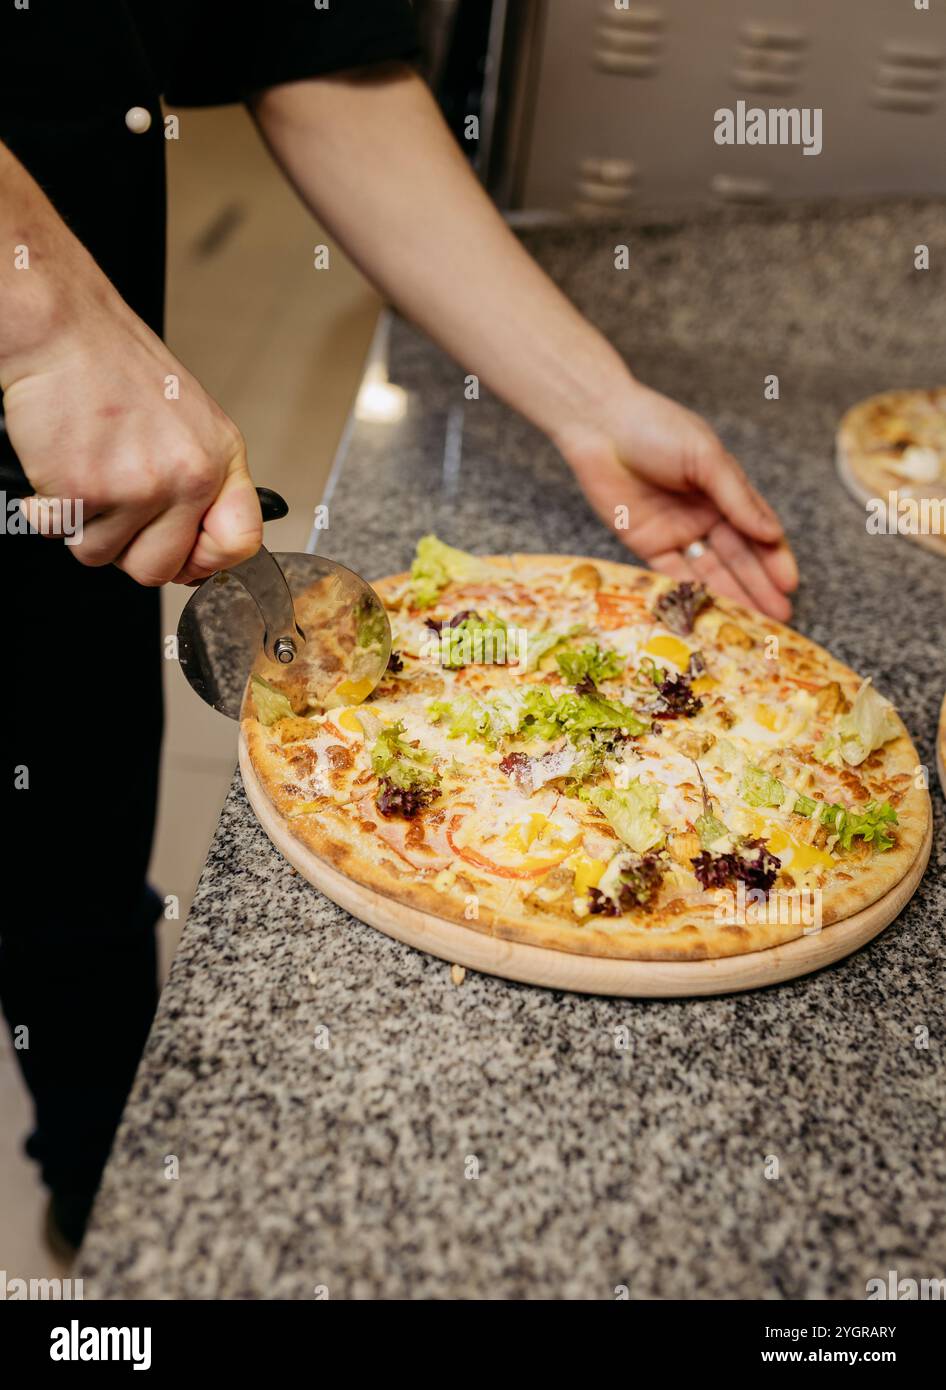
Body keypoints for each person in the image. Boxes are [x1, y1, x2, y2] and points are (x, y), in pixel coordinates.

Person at [0, 1, 797, 1253]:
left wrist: (593, 403)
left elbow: (310, 46)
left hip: (86, 474)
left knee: (75, 838)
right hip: (58, 373)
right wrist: (41, 316)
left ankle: (109, 1203)